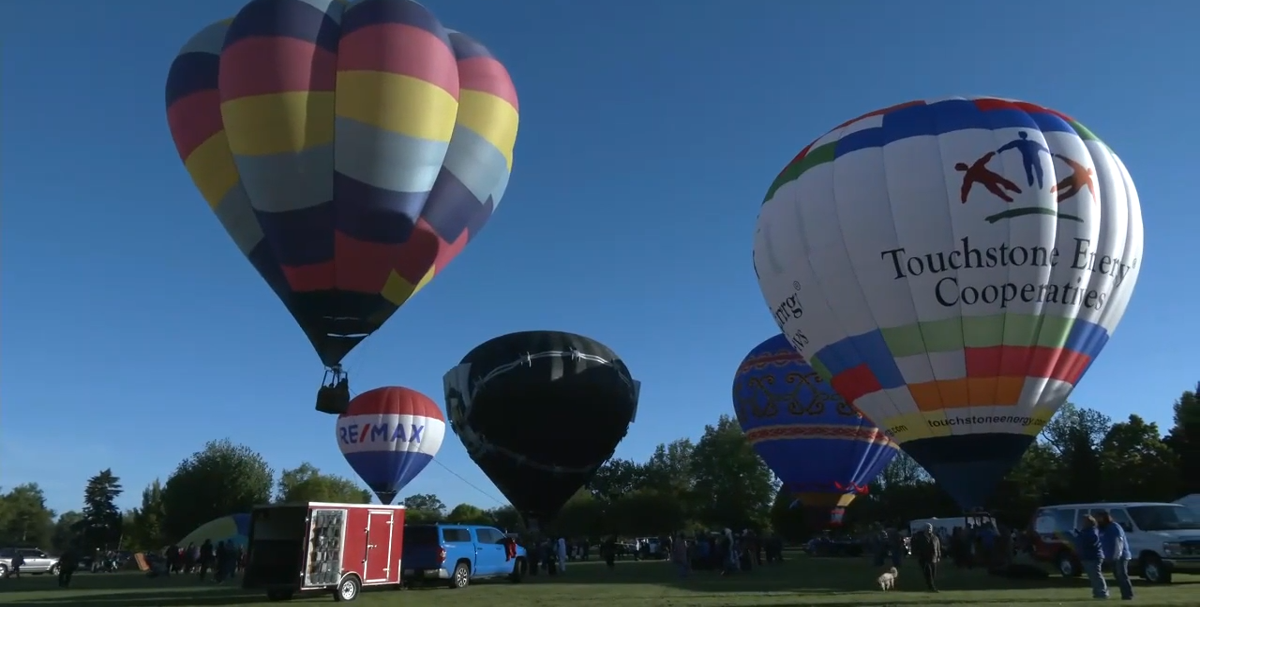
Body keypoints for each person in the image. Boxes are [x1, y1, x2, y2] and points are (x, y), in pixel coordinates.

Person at [1096, 511, 1134, 600]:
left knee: (1122, 575)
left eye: (1099, 517)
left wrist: (1117, 555)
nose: (1098, 520)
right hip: (1111, 556)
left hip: (1120, 556)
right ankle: (1124, 594)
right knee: (1118, 576)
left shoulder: (1114, 526)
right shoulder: (1103, 528)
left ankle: (1128, 595)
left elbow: (1119, 541)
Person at [1075, 514, 1108, 599]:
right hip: (1087, 556)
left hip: (1093, 556)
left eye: (1084, 522)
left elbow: (1091, 542)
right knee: (1093, 576)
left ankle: (1102, 593)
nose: (1082, 523)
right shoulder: (1086, 531)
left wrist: (1080, 537)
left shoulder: (1092, 531)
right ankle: (1097, 593)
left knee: (1096, 575)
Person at [910, 524, 942, 592]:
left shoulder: (935, 537)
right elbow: (915, 546)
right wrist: (916, 553)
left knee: (933, 573)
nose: (929, 529)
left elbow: (938, 547)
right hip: (924, 558)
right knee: (928, 572)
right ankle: (932, 587)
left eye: (930, 528)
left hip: (933, 558)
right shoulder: (919, 537)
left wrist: (938, 556)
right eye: (928, 528)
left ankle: (929, 585)